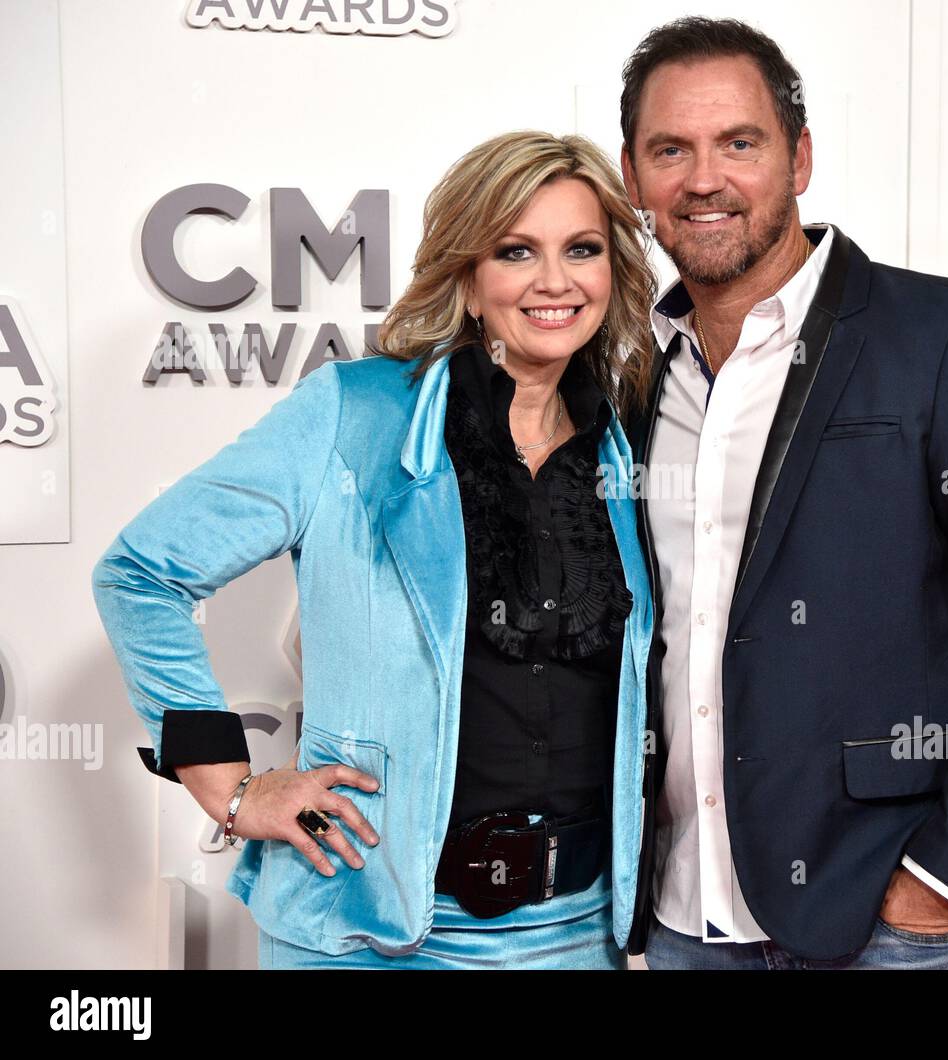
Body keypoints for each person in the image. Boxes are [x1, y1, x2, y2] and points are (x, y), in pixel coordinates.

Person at [91, 130, 660, 969]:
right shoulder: (354, 415)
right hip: (364, 933)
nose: (554, 281)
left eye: (582, 249)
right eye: (515, 250)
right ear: (467, 276)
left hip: (576, 934)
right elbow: (141, 572)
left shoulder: (634, 445)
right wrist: (229, 786)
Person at [616, 17, 948, 969]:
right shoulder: (636, 377)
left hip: (887, 928)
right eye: (670, 149)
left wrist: (945, 880)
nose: (704, 178)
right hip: (684, 925)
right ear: (634, 179)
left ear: (799, 158)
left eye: (740, 143)